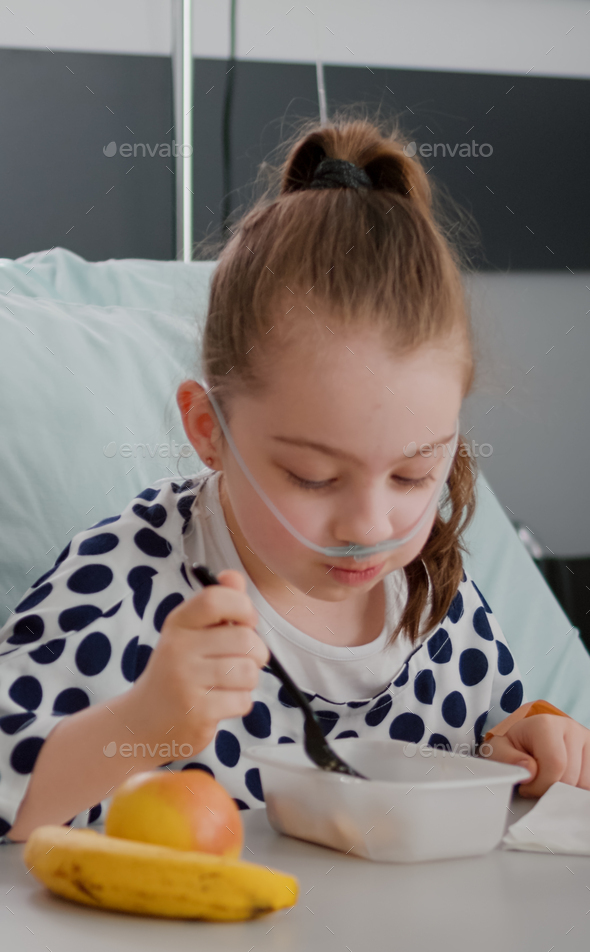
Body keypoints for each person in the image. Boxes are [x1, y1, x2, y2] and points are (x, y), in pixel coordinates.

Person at [1, 116, 589, 846]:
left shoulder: (438, 601)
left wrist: (524, 746)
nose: (371, 525)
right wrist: (141, 723)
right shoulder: (127, 584)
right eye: (313, 476)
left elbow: (486, 758)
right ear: (208, 429)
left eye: (412, 473)